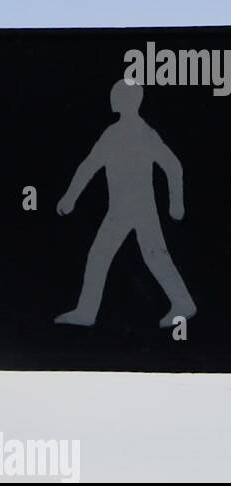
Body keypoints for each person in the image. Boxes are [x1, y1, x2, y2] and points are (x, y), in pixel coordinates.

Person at [55, 79, 196, 327]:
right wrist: (70, 197)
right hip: (123, 208)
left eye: (117, 94)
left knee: (142, 256)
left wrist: (176, 204)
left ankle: (183, 304)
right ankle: (87, 312)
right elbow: (89, 166)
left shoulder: (138, 134)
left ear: (125, 100)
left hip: (138, 208)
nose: (113, 98)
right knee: (109, 255)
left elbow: (173, 166)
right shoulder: (122, 133)